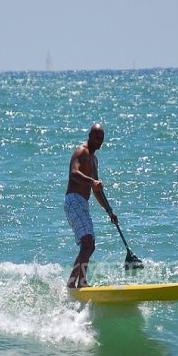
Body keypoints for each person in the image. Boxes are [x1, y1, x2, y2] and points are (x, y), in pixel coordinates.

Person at [64, 123, 118, 288]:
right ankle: (79, 282)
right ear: (89, 135)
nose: (99, 141)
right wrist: (92, 181)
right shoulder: (81, 152)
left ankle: (73, 282)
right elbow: (74, 173)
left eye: (101, 138)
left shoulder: (94, 159)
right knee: (87, 243)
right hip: (73, 200)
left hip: (83, 204)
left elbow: (96, 190)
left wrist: (109, 212)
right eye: (96, 137)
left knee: (89, 244)